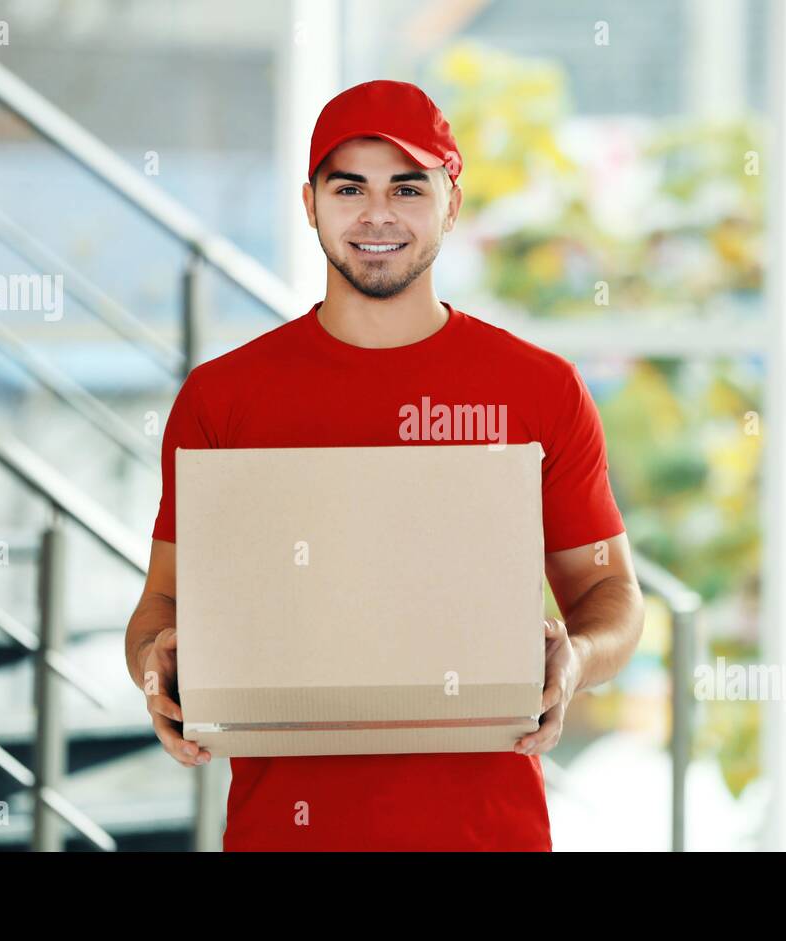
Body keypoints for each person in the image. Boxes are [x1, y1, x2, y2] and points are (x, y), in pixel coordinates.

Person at [124, 79, 644, 851]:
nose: (377, 214)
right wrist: (153, 666)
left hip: (487, 835)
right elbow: (161, 602)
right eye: (349, 188)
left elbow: (610, 592)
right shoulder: (224, 398)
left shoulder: (537, 390)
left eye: (408, 187)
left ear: (451, 203)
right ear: (309, 203)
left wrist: (576, 659)